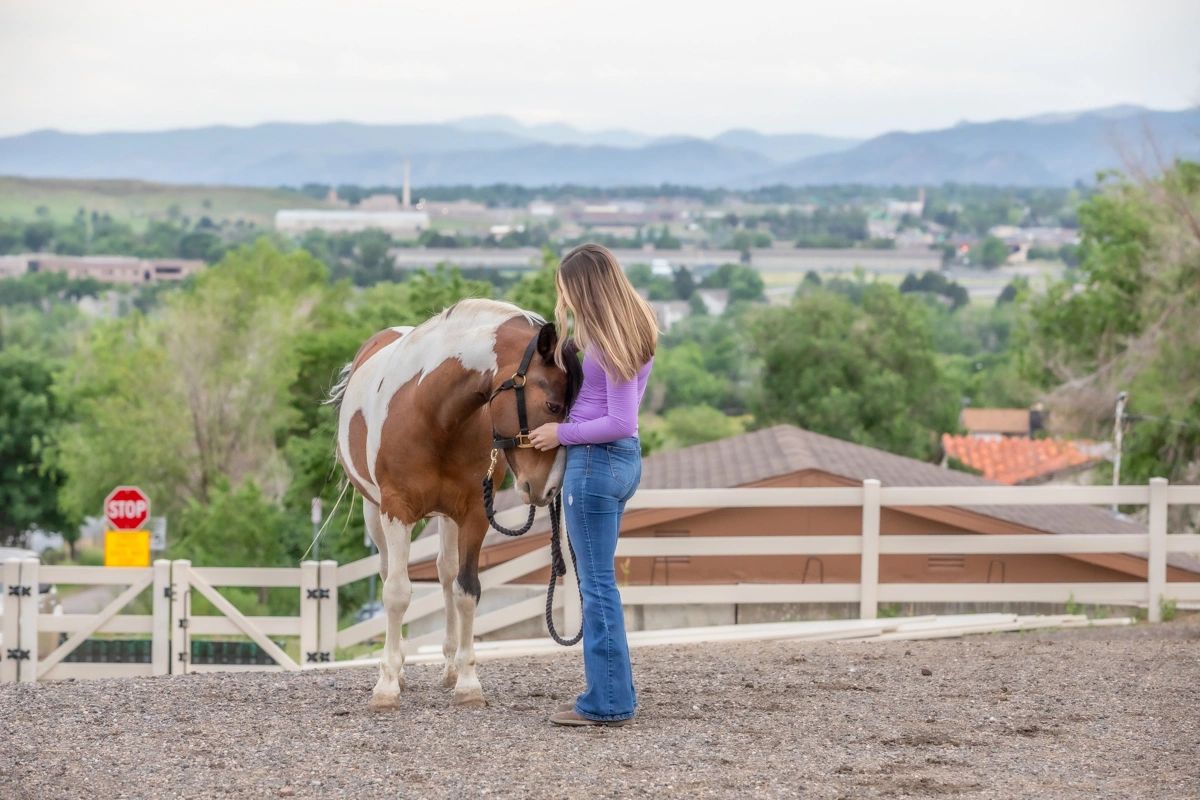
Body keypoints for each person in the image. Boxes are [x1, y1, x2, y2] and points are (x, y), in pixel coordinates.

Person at [528, 243, 657, 727]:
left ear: (584, 288)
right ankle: (615, 692)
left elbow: (620, 420)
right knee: (601, 583)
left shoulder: (608, 343)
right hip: (621, 464)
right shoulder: (635, 327)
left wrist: (559, 433)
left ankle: (607, 702)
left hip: (596, 465)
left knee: (597, 586)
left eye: (566, 290)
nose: (563, 298)